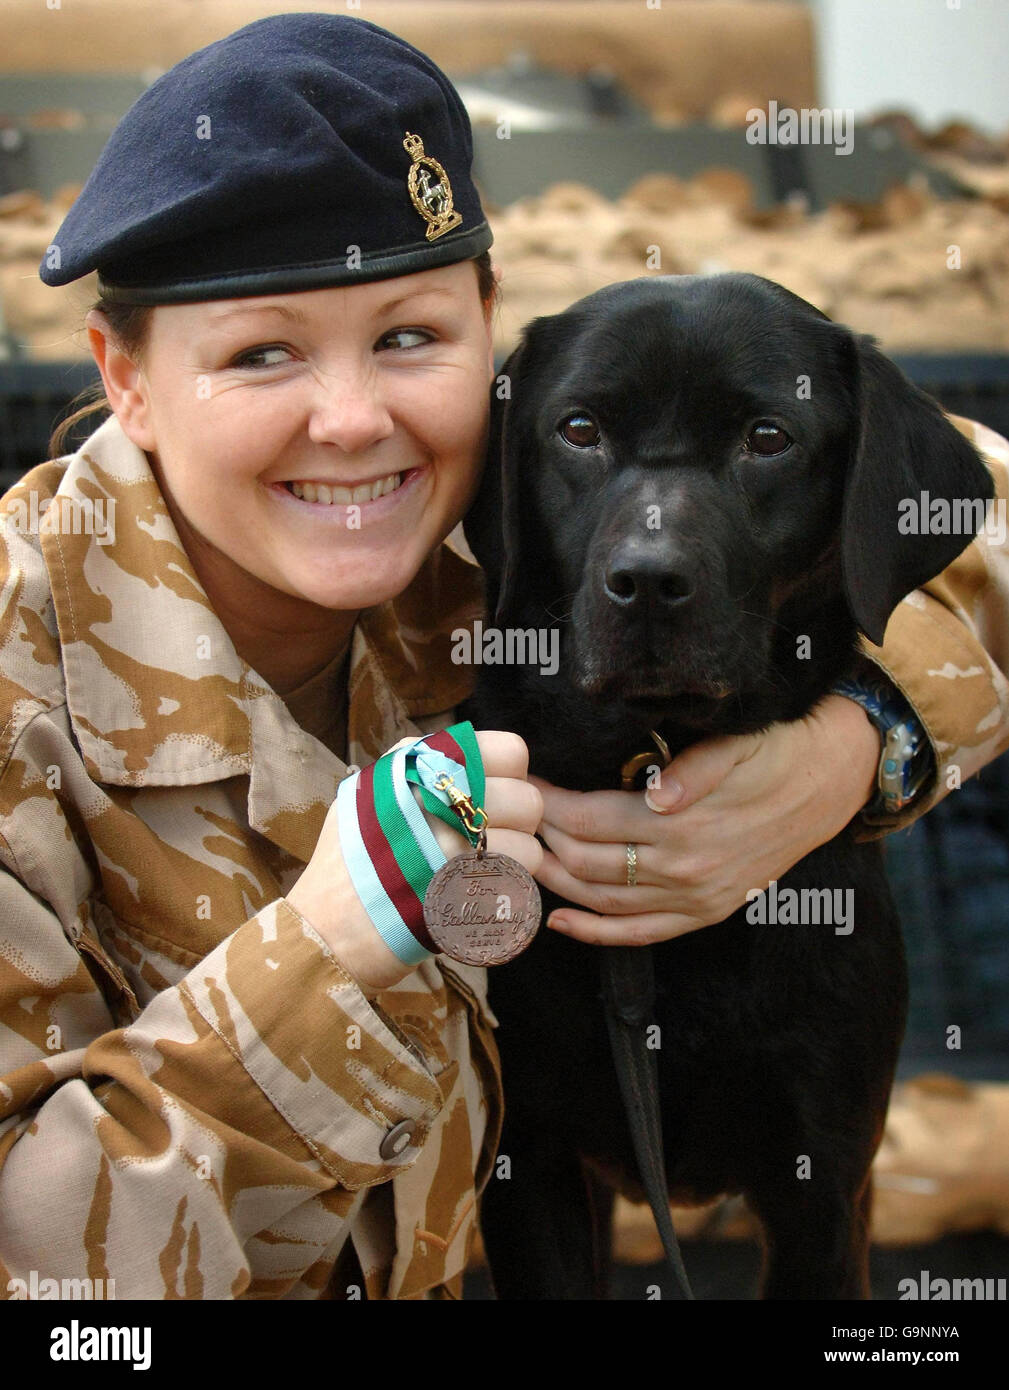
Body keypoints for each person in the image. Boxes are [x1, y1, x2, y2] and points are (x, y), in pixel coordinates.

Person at [1, 12, 1007, 1301]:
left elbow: (970, 499)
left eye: (409, 337)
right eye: (263, 353)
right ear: (125, 378)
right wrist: (324, 955)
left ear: (492, 337)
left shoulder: (512, 529)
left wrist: (860, 736)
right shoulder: (25, 704)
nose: (356, 423)